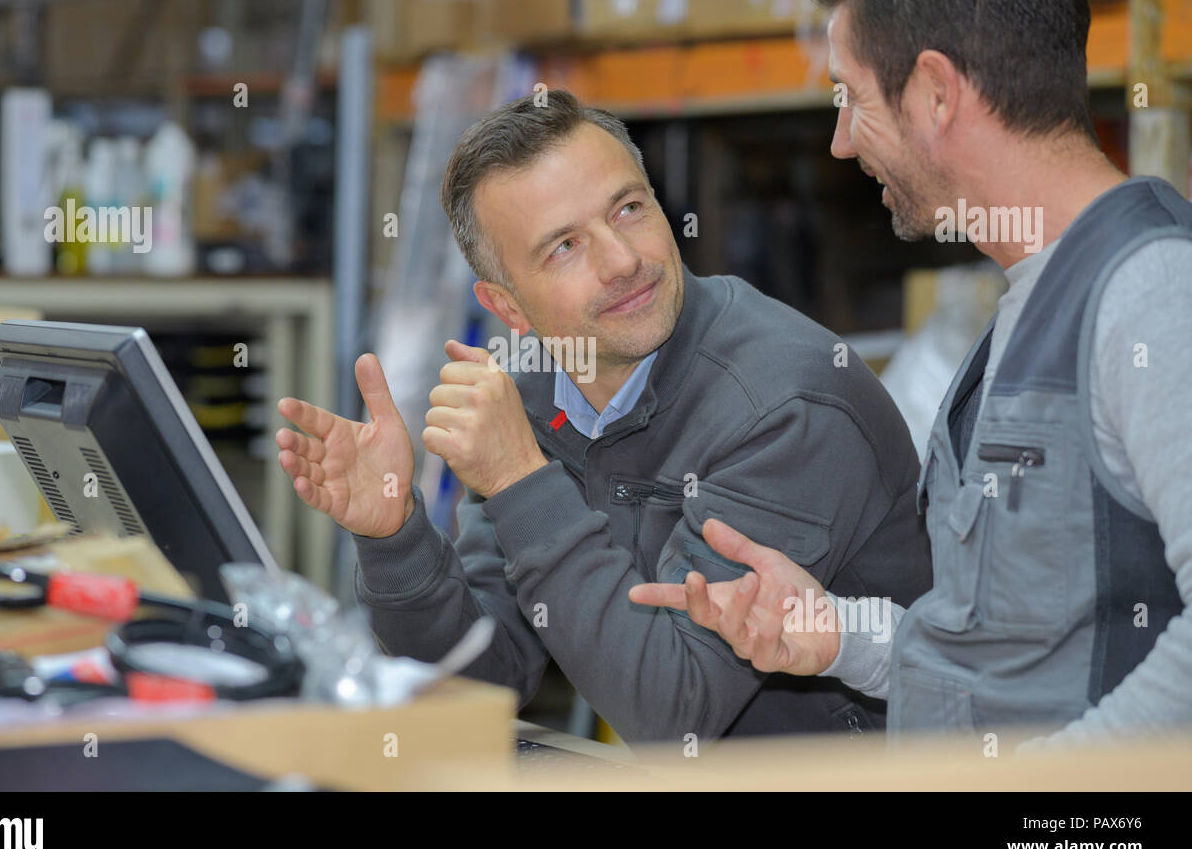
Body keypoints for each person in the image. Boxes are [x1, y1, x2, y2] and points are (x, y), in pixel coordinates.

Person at [631, 0, 1192, 749]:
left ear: (935, 91)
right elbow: (1010, 657)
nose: (841, 140)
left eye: (849, 97)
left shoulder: (1151, 292)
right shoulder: (1030, 305)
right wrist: (836, 635)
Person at [276, 89, 931, 743]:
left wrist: (520, 482)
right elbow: (480, 675)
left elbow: (673, 709)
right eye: (564, 246)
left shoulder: (785, 404)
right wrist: (394, 536)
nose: (623, 261)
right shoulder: (534, 400)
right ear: (507, 308)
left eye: (628, 209)